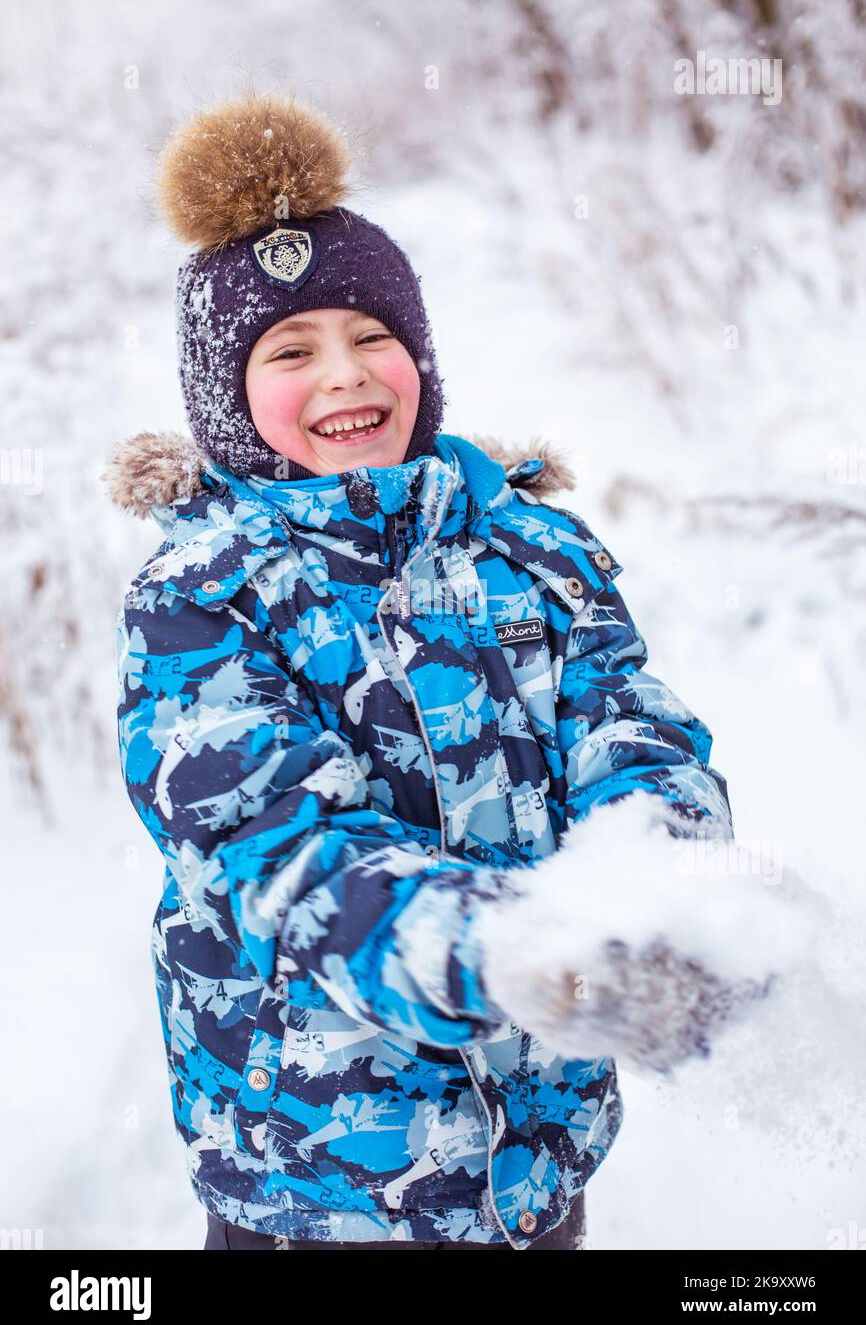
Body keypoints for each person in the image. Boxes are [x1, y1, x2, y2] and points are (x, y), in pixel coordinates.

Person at [103, 92, 774, 1251]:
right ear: (227, 397)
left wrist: (656, 878)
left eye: (374, 337)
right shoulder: (203, 592)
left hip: (535, 1155)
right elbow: (273, 848)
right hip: (319, 1177)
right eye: (290, 351)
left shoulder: (527, 544)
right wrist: (504, 952)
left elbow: (626, 720)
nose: (345, 376)